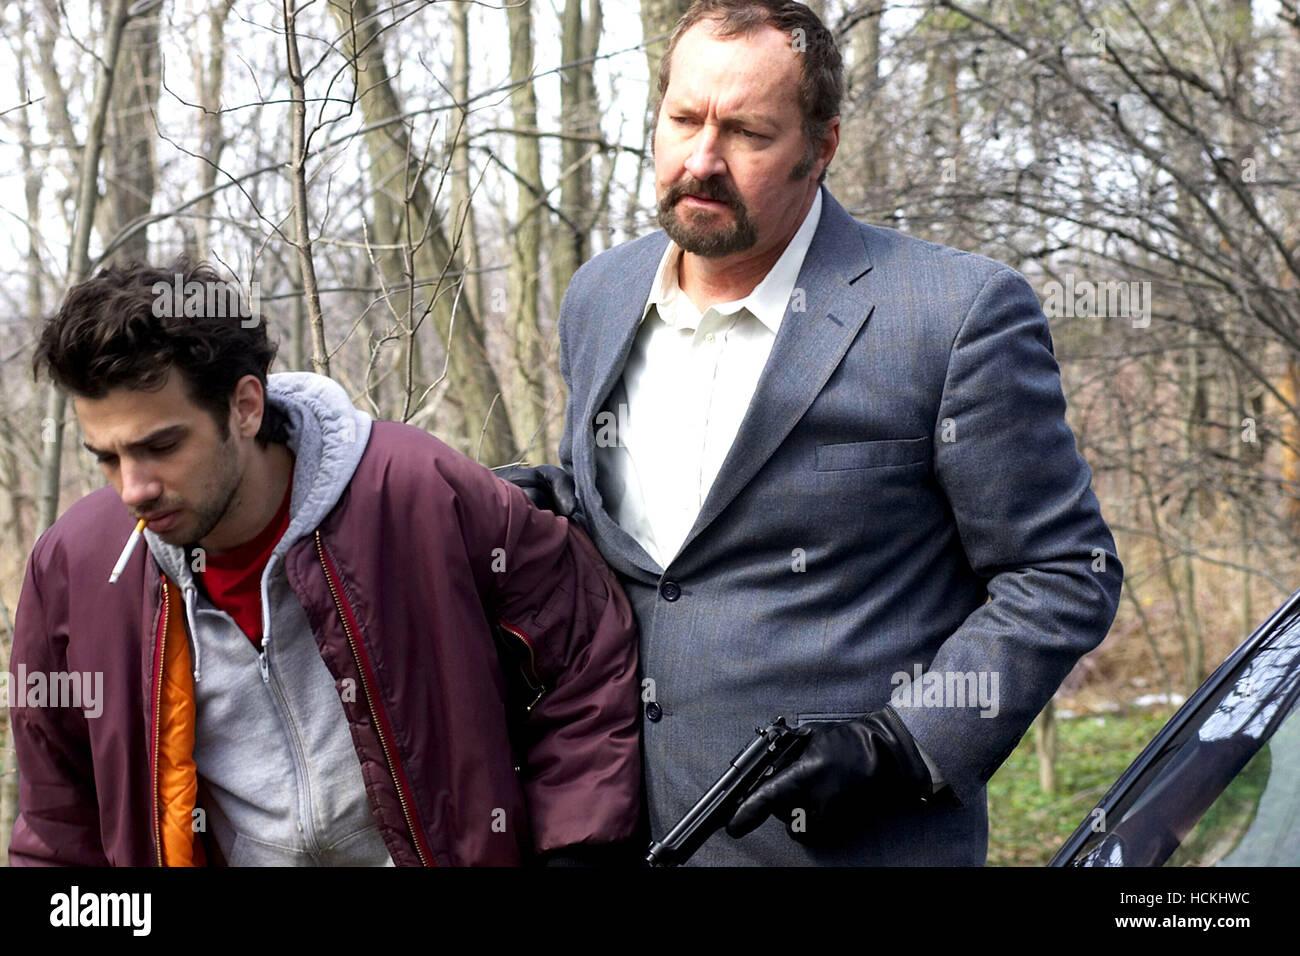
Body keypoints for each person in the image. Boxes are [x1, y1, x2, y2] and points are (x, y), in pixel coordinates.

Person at [502, 0, 1124, 864]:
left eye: (750, 133)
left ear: (821, 146)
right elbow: (655, 536)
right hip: (631, 834)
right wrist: (544, 509)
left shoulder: (951, 314)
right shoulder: (600, 296)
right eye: (682, 119)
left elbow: (1061, 573)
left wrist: (903, 744)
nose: (702, 160)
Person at [9, 260, 641, 866]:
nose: (134, 488)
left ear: (245, 407)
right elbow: (59, 817)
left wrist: (577, 853)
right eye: (108, 457)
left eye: (162, 445)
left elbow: (586, 654)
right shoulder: (76, 570)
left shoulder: (416, 493)